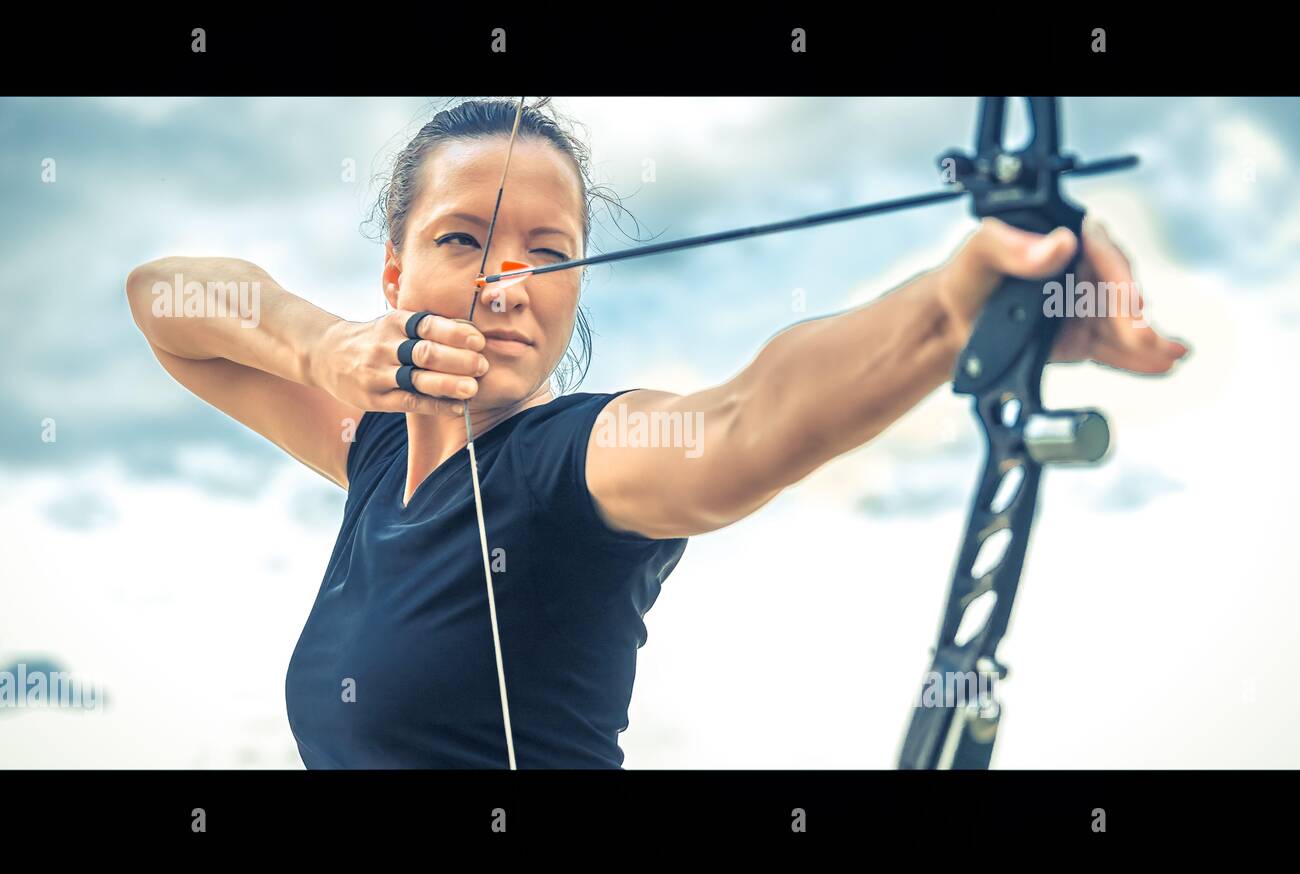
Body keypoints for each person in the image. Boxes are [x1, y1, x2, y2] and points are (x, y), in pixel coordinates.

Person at [125, 98, 1188, 769]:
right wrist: (319, 348)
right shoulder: (371, 455)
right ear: (394, 272)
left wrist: (957, 305)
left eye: (550, 250)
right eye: (463, 240)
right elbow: (166, 304)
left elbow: (741, 420)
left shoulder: (567, 470)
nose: (508, 282)